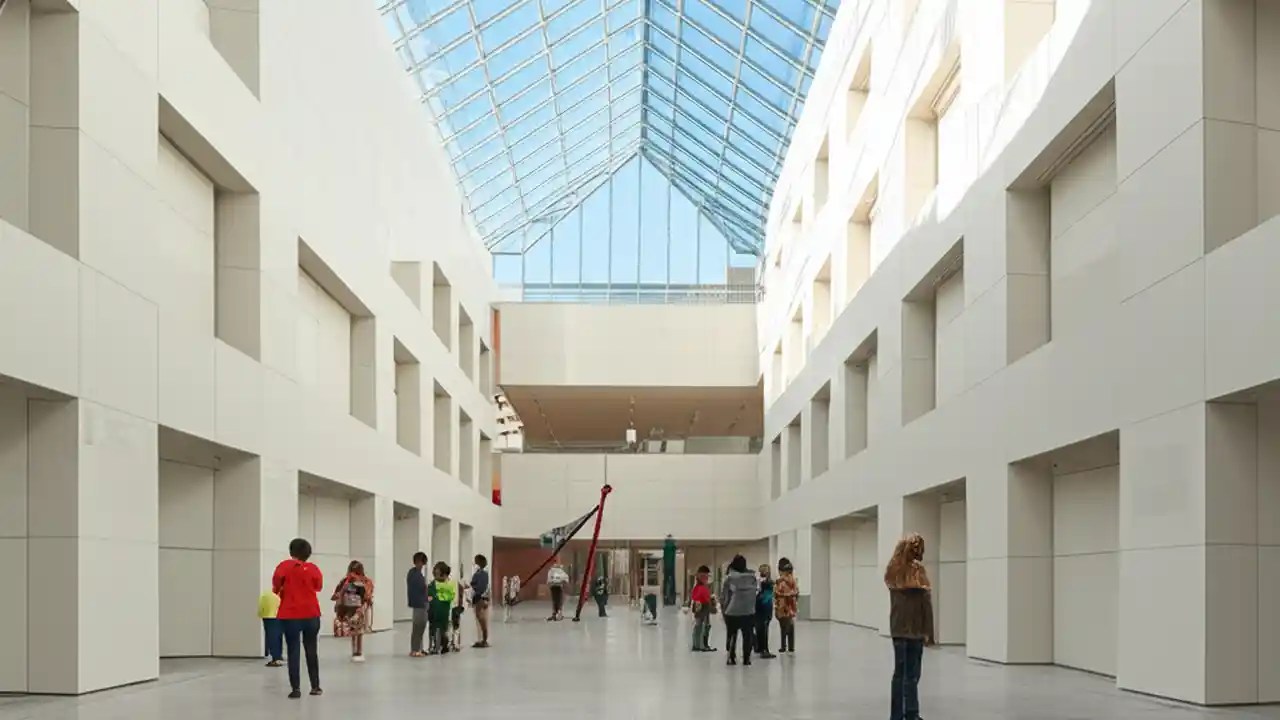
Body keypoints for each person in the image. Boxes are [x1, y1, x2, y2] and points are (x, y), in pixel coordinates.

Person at [885, 533, 934, 720]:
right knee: (912, 674)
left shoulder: (893, 571)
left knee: (900, 673)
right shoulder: (918, 572)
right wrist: (929, 631)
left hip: (898, 628)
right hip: (915, 630)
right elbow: (926, 605)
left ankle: (897, 715)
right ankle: (911, 713)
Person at [272, 538, 324, 699]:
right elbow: (318, 587)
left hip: (290, 614)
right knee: (311, 649)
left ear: (291, 551)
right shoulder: (313, 568)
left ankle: (296, 689)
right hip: (311, 613)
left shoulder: (284, 566)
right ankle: (315, 686)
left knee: (293, 650)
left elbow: (276, 586)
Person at [719, 554, 759, 666]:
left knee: (731, 635)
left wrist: (723, 609)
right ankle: (747, 658)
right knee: (748, 635)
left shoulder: (729, 579)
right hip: (749, 611)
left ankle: (731, 657)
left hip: (732, 611)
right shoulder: (753, 578)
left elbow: (724, 596)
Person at [332, 560, 374, 662]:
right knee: (353, 630)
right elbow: (337, 594)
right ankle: (355, 650)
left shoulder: (364, 581)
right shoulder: (346, 581)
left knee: (358, 631)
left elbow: (367, 594)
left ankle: (358, 651)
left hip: (358, 608)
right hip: (349, 608)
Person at [427, 561, 458, 653]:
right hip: (433, 611)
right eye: (435, 575)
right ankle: (434, 646)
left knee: (443, 629)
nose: (437, 577)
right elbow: (429, 596)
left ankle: (443, 645)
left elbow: (452, 596)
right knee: (433, 629)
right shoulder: (432, 585)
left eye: (439, 575)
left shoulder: (449, 585)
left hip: (444, 611)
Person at [775, 557, 800, 653]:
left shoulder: (780, 582)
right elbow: (797, 593)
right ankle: (791, 646)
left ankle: (783, 646)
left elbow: (776, 593)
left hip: (782, 606)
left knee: (783, 627)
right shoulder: (793, 581)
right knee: (790, 625)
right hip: (791, 605)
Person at [407, 551, 429, 657]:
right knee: (419, 627)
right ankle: (415, 649)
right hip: (420, 603)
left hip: (419, 603)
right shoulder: (415, 575)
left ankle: (418, 648)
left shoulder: (414, 573)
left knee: (420, 627)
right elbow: (421, 588)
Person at [690, 565, 716, 652]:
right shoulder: (700, 587)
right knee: (703, 626)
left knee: (701, 626)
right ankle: (702, 645)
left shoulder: (701, 587)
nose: (706, 578)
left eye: (706, 576)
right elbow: (698, 597)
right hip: (702, 607)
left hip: (701, 607)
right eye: (704, 576)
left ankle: (698, 644)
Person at [754, 563, 776, 659]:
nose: (766, 572)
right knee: (763, 629)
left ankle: (760, 647)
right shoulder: (765, 582)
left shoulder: (758, 581)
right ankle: (764, 650)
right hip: (763, 606)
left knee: (761, 628)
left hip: (763, 606)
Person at [258, 587, 283, 667]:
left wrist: (260, 614)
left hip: (268, 617)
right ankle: (278, 656)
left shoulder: (265, 595)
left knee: (271, 637)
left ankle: (275, 658)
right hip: (278, 617)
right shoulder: (279, 597)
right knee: (278, 637)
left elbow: (261, 606)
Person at [470, 554, 491, 648]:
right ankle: (483, 639)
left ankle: (482, 640)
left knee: (480, 620)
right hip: (483, 598)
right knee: (483, 620)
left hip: (479, 598)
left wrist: (474, 590)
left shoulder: (479, 574)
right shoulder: (485, 574)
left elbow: (477, 586)